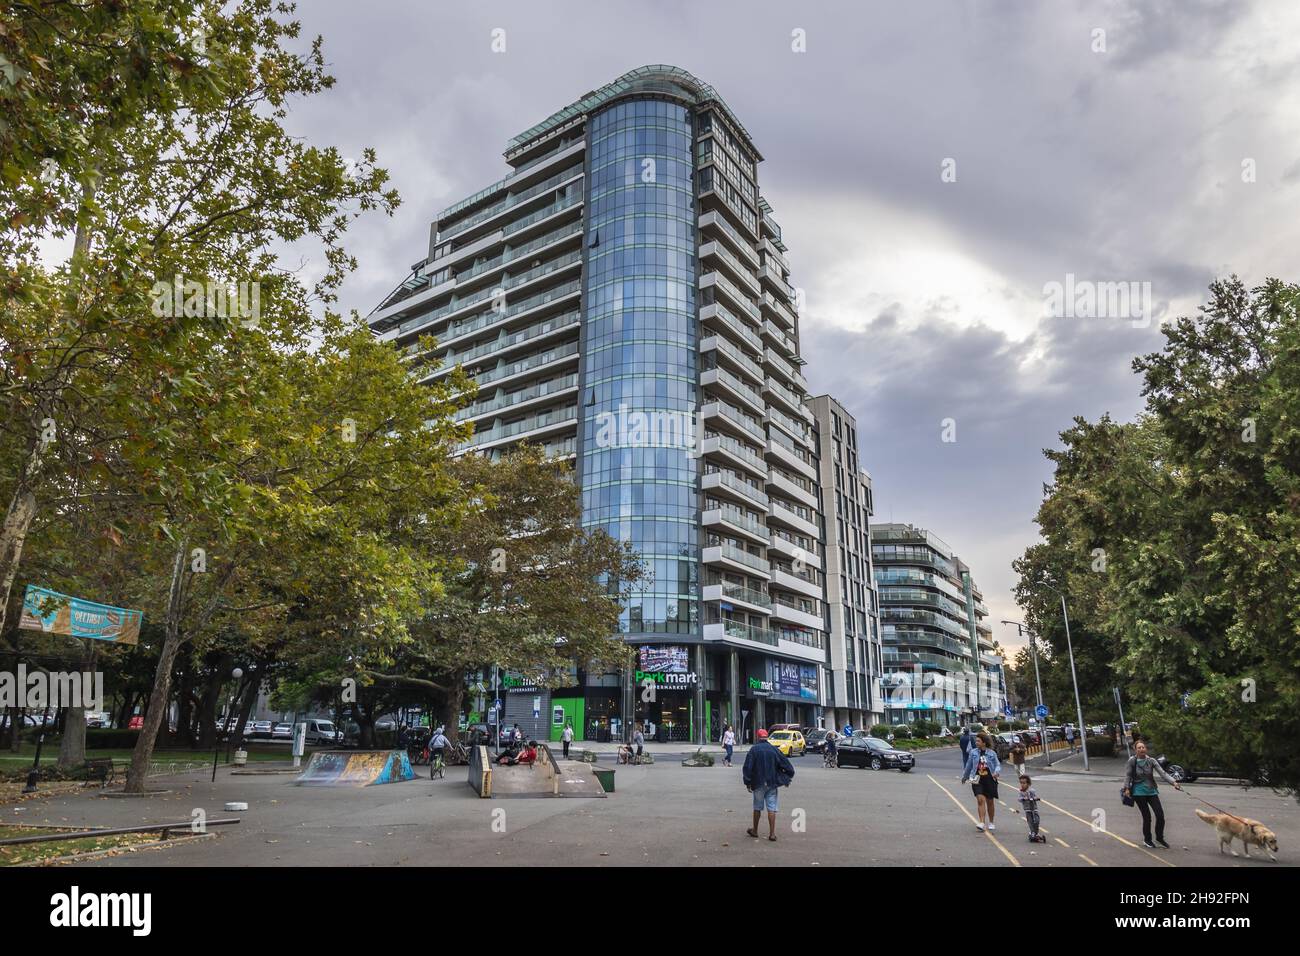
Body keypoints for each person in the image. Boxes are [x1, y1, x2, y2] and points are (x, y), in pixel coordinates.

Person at [1122, 740, 1181, 848]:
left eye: (1143, 747)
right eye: (1139, 748)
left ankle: (1159, 838)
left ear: (1146, 749)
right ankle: (1147, 840)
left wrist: (1174, 782)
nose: (1141, 749)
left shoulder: (1151, 760)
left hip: (1151, 791)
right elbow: (1128, 775)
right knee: (1147, 817)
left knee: (1160, 815)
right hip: (1138, 792)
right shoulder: (1132, 761)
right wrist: (1126, 788)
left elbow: (1162, 773)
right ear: (1135, 750)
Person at [742, 728, 795, 842]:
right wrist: (784, 777)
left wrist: (748, 782)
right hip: (772, 783)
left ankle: (755, 830)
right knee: (772, 808)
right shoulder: (773, 749)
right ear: (767, 737)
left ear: (757, 737)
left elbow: (747, 767)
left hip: (758, 782)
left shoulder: (754, 750)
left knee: (757, 807)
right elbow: (788, 766)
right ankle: (772, 834)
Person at [961, 734, 1001, 832]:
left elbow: (998, 765)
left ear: (984, 742)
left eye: (978, 741)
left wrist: (996, 772)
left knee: (990, 801)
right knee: (980, 799)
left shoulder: (992, 753)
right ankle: (982, 822)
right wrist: (965, 777)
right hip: (977, 778)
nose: (976, 742)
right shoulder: (973, 752)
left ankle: (991, 822)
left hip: (989, 779)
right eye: (976, 741)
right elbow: (969, 765)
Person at [1016, 774, 1046, 843]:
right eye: (1021, 783)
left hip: (1034, 808)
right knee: (1030, 822)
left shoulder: (1031, 791)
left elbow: (1035, 796)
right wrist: (1023, 798)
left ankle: (1036, 833)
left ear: (1028, 784)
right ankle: (1033, 832)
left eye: (1024, 783)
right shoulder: (1021, 792)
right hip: (1028, 810)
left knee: (1037, 820)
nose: (1022, 785)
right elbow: (1019, 799)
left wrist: (1036, 798)